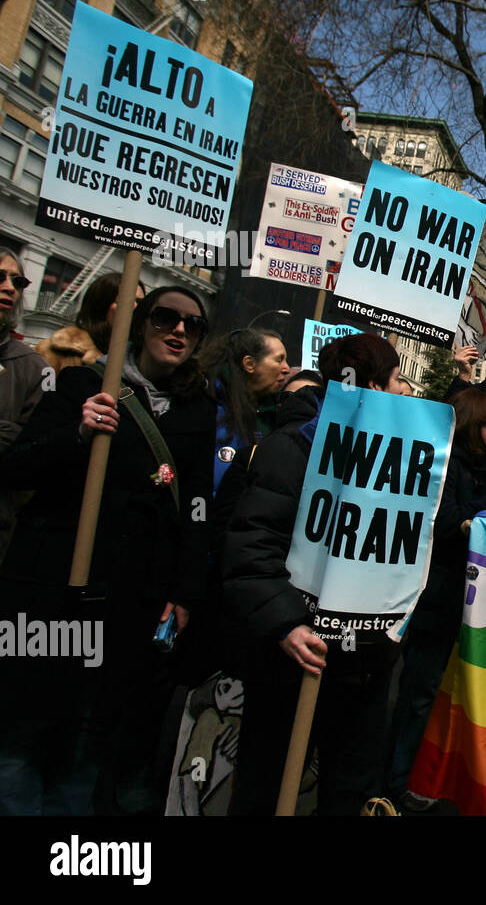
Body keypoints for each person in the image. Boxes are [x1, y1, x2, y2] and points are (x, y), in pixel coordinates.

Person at [0, 285, 215, 814]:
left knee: (87, 747)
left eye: (192, 325)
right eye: (166, 318)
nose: (179, 331)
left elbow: (196, 510)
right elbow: (16, 467)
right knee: (23, 741)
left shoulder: (197, 411)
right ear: (141, 325)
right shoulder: (83, 383)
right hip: (55, 593)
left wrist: (183, 592)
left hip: (130, 608)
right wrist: (77, 432)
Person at [221, 333, 408, 815]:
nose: (402, 391)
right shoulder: (293, 449)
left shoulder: (401, 461)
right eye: (394, 380)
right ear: (370, 385)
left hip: (363, 664)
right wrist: (286, 624)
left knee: (348, 792)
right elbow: (251, 546)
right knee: (267, 785)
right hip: (294, 659)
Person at [388, 386, 486, 810]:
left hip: (457, 598)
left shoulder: (482, 465)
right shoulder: (447, 466)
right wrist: (484, 517)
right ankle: (398, 779)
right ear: (476, 425)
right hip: (437, 599)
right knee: (419, 693)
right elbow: (445, 521)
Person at [198, 328, 290, 492]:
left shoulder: (273, 417)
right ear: (249, 364)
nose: (286, 369)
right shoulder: (205, 403)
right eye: (279, 360)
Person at [0, 249, 47, 561]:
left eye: (18, 281)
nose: (10, 287)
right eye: (0, 277)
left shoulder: (33, 367)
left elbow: (32, 452)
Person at [34, 271, 146, 376]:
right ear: (101, 305)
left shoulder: (143, 362)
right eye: (125, 300)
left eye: (140, 302)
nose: (135, 307)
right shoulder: (52, 353)